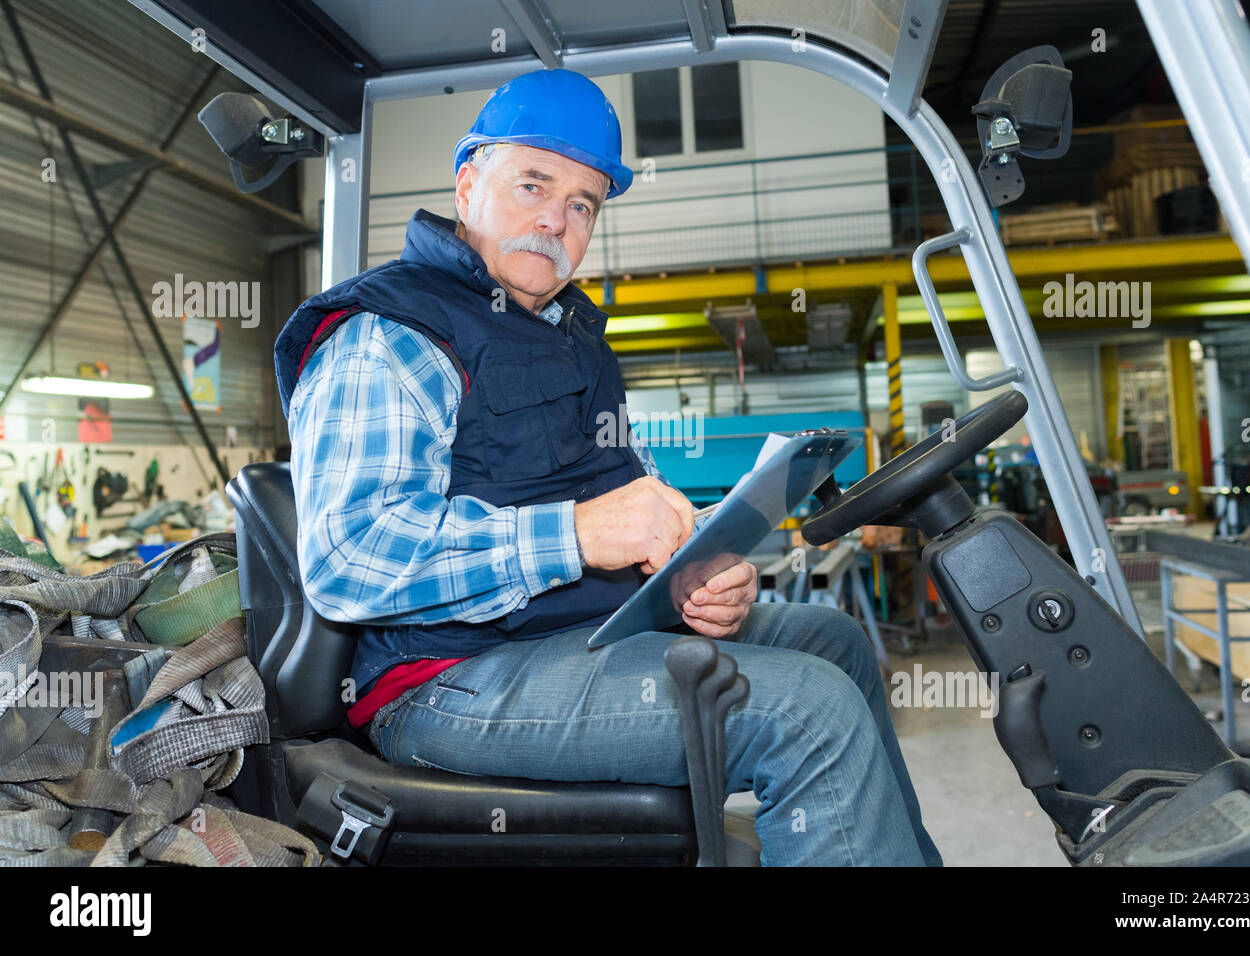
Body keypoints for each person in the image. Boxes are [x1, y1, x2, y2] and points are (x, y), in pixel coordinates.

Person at [272, 68, 940, 866]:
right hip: (446, 678)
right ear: (466, 183)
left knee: (834, 643)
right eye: (533, 183)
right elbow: (351, 558)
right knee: (807, 710)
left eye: (583, 203)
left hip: (587, 633)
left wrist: (695, 575)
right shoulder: (389, 335)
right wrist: (579, 533)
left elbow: (638, 507)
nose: (555, 220)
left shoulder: (572, 336)